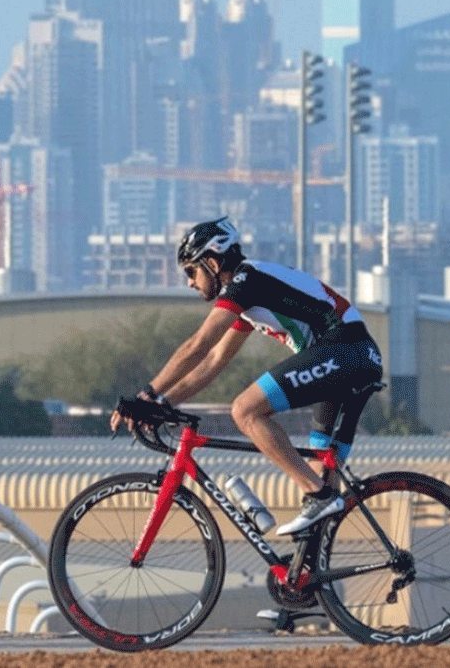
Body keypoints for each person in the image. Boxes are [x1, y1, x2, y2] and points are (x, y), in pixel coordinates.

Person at [110, 216, 383, 536]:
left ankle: (318, 496)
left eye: (191, 271)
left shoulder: (247, 279)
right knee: (322, 475)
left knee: (246, 409)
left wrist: (146, 395)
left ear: (212, 262)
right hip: (351, 357)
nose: (189, 282)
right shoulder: (248, 298)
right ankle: (314, 578)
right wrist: (162, 403)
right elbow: (213, 361)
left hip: (345, 349)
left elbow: (198, 346)